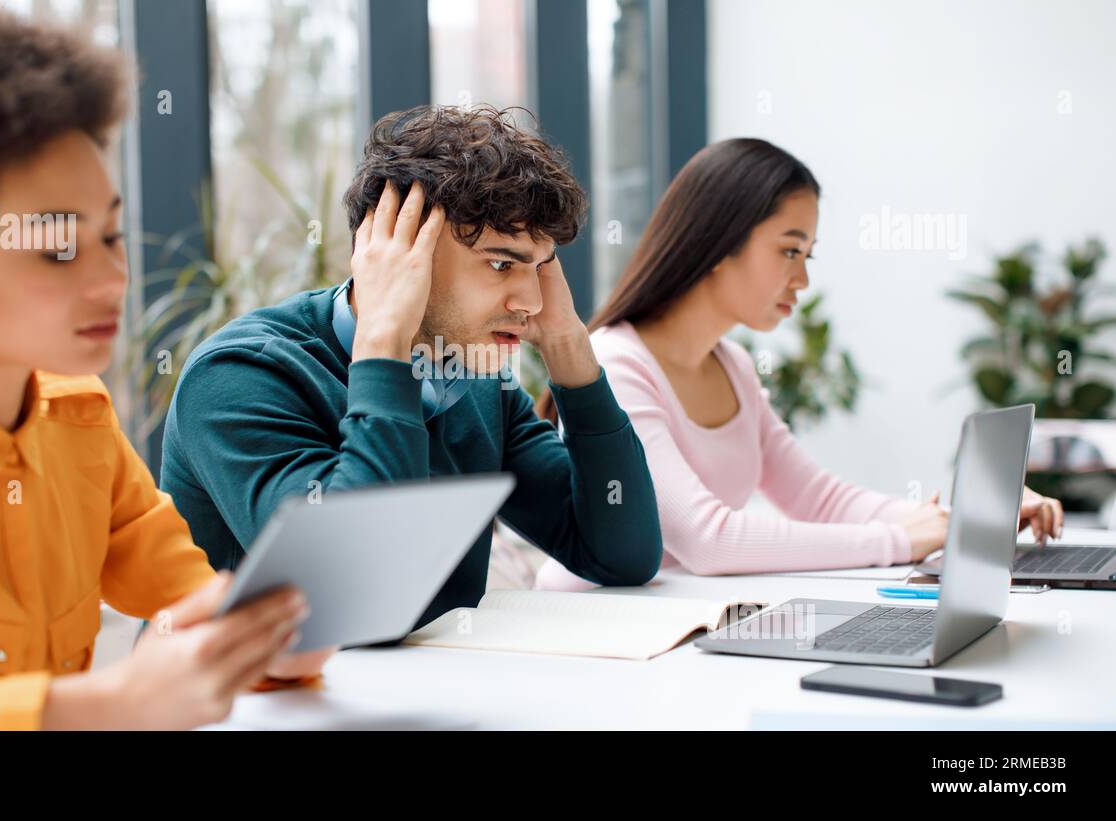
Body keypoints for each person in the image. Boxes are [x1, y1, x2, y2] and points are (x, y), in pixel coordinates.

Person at [0, 0, 306, 729]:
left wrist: (267, 637)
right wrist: (81, 709)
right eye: (56, 248)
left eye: (110, 235)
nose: (112, 278)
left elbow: (193, 597)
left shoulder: (79, 419)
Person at [161, 105, 664, 674]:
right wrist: (384, 340)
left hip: (431, 699)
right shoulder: (238, 376)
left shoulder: (471, 374)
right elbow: (351, 589)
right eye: (502, 265)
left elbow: (621, 554)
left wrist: (569, 347)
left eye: (541, 268)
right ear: (393, 251)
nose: (532, 301)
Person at [534, 138, 1062, 589]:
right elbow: (709, 541)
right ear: (718, 243)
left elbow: (819, 498)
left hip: (675, 630)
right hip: (596, 642)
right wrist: (902, 540)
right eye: (789, 251)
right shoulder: (620, 364)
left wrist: (966, 519)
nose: (803, 281)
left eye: (808, 255)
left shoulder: (734, 366)